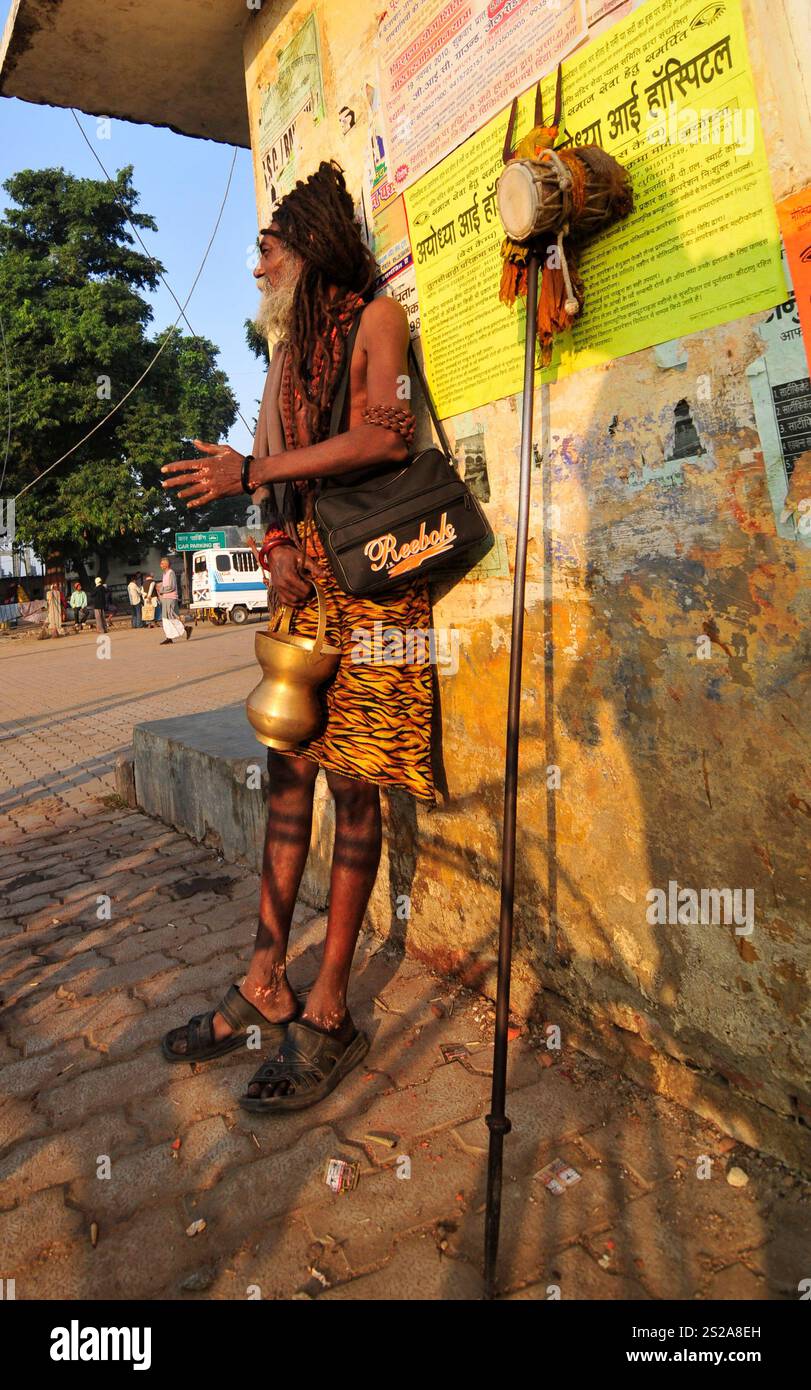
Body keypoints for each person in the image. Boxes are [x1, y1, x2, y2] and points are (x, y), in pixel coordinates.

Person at [160, 160, 433, 1115]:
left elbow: (385, 437)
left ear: (311, 249)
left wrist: (255, 471)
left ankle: (327, 1011)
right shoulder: (287, 350)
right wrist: (272, 535)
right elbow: (276, 476)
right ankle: (264, 977)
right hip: (304, 589)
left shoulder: (378, 321)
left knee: (355, 788)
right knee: (287, 778)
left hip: (374, 592)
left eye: (266, 251)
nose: (255, 269)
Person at [158, 558, 190, 644]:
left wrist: (161, 590)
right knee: (165, 618)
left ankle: (184, 629)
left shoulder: (170, 573)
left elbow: (171, 587)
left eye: (162, 564)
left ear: (166, 564)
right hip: (165, 598)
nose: (160, 565)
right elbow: (164, 585)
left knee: (171, 616)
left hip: (170, 598)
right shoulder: (164, 574)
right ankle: (169, 637)